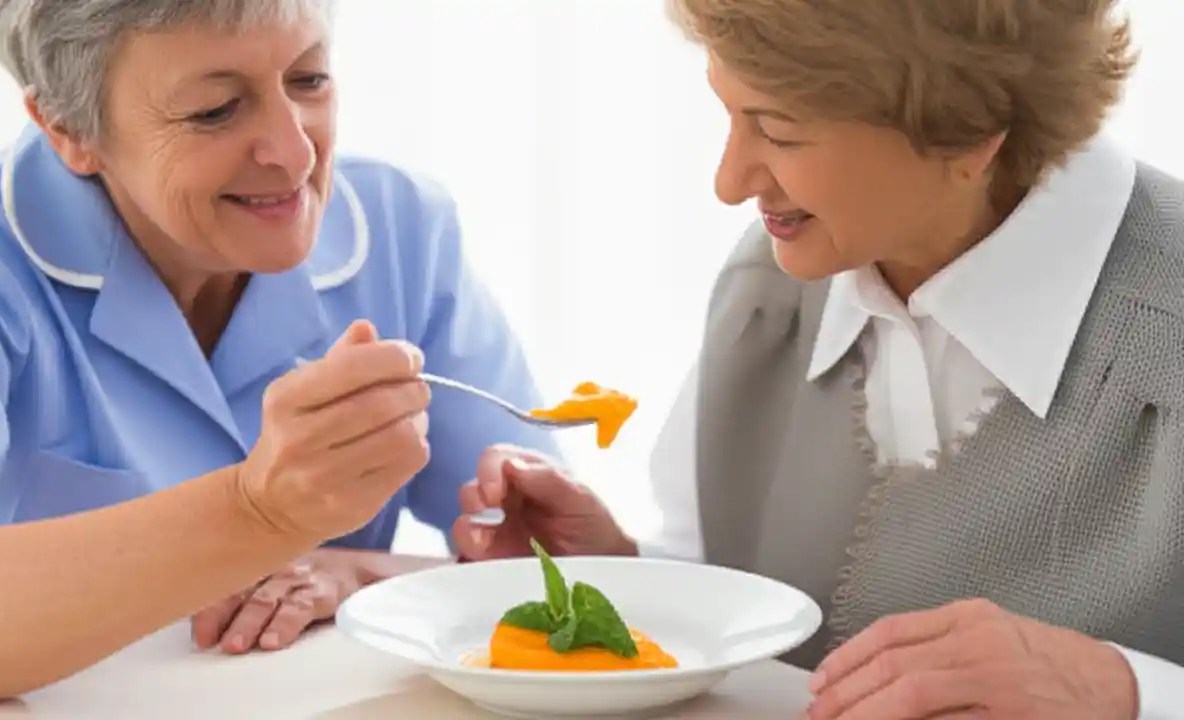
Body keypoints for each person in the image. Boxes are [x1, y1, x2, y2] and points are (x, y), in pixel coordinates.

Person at [453, 1, 1184, 717]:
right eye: (728, 113)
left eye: (779, 133)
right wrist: (614, 571)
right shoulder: (769, 292)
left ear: (966, 134)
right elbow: (723, 601)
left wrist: (1123, 691)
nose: (729, 180)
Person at [0, 0, 558, 706]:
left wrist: (361, 574)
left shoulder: (403, 229)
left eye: (309, 80)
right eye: (215, 111)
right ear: (67, 127)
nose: (296, 152)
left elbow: (525, 567)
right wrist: (257, 515)